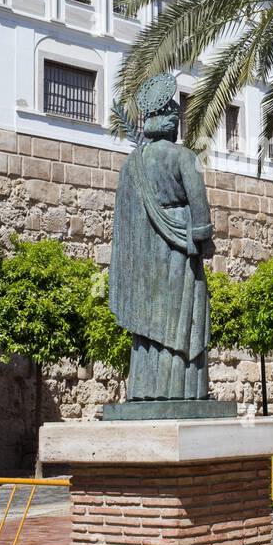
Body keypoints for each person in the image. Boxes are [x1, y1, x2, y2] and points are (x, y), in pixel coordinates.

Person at [108, 73, 215, 401]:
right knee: (183, 321)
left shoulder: (132, 164)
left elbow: (123, 220)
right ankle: (184, 392)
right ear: (170, 122)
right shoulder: (186, 158)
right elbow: (200, 211)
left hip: (144, 256)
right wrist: (203, 242)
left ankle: (145, 390)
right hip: (180, 251)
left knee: (151, 321)